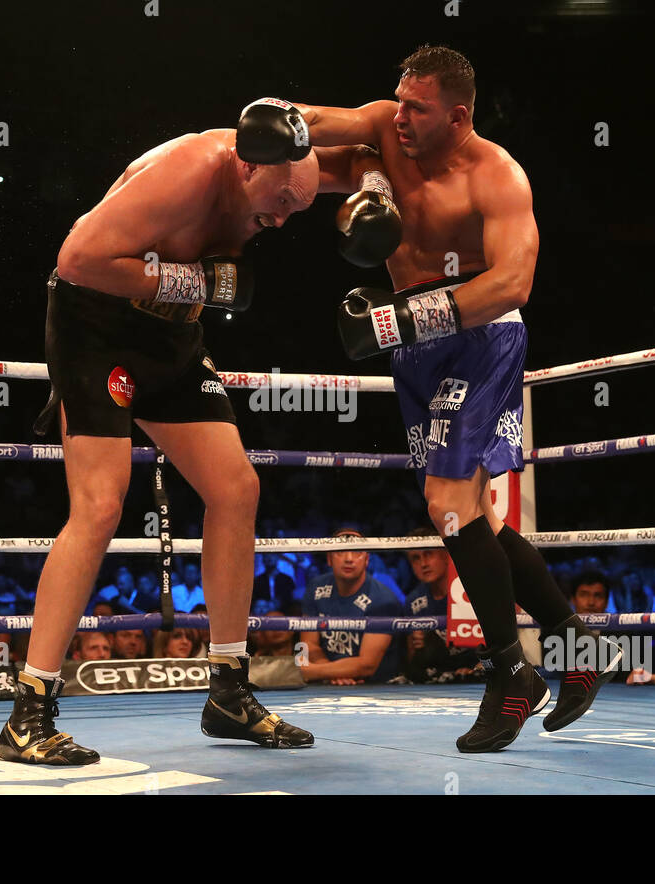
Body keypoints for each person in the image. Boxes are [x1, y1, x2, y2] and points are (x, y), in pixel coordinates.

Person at [244, 46, 619, 751]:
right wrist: (272, 125)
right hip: (417, 348)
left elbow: (511, 285)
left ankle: (512, 672)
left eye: (417, 107)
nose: (400, 115)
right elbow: (328, 122)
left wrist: (396, 318)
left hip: (478, 336)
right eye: (399, 100)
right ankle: (576, 646)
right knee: (467, 514)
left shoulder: (497, 175)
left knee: (448, 504)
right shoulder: (386, 129)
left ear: (459, 114)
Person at [0, 120, 329, 764]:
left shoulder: (285, 162)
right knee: (98, 506)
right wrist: (198, 284)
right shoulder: (188, 173)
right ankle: (29, 711)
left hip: (170, 341)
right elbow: (77, 260)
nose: (285, 220)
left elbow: (370, 146)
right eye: (283, 202)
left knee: (236, 488)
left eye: (300, 208)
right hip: (96, 329)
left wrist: (378, 189)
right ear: (249, 168)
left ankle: (229, 690)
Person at [298, 529, 402, 684]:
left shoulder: (383, 599)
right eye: (340, 551)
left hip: (376, 687)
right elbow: (308, 643)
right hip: (329, 683)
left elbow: (367, 665)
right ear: (329, 559)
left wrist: (311, 671)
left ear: (366, 560)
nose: (348, 559)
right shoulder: (316, 587)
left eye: (356, 552)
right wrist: (330, 672)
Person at [402, 527, 478, 681]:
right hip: (438, 677)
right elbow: (413, 663)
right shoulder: (414, 601)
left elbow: (497, 641)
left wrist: (479, 667)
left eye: (428, 554)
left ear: (445, 555)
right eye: (416, 558)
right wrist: (417, 647)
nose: (423, 564)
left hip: (475, 671)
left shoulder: (472, 590)